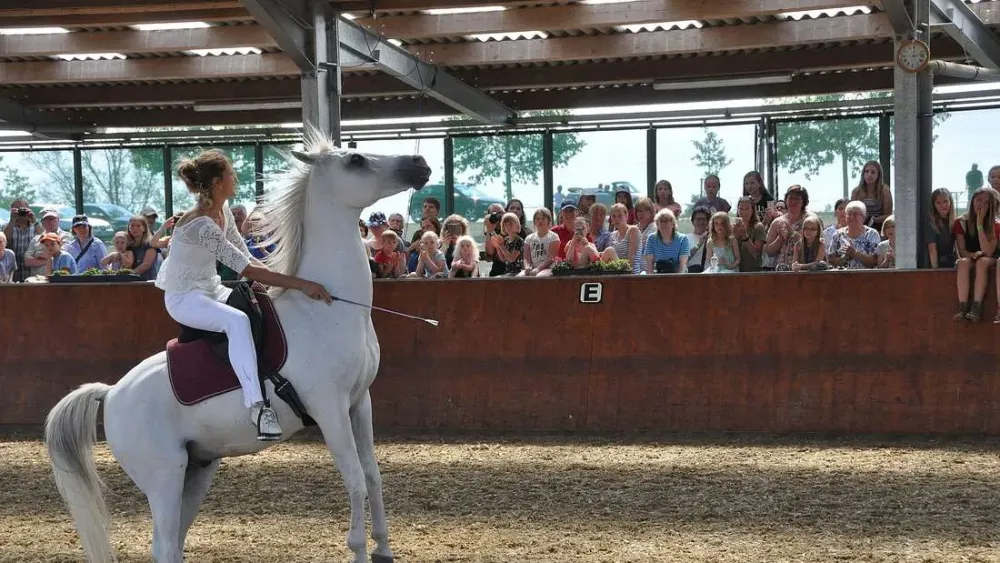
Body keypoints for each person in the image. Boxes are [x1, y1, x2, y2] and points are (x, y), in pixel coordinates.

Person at [155, 149, 332, 441]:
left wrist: (286, 284)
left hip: (212, 289)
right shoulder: (201, 225)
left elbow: (246, 256)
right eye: (229, 174)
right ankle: (258, 409)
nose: (234, 178)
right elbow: (247, 268)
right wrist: (300, 283)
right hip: (184, 298)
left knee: (265, 303)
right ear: (215, 183)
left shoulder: (223, 211)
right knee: (237, 322)